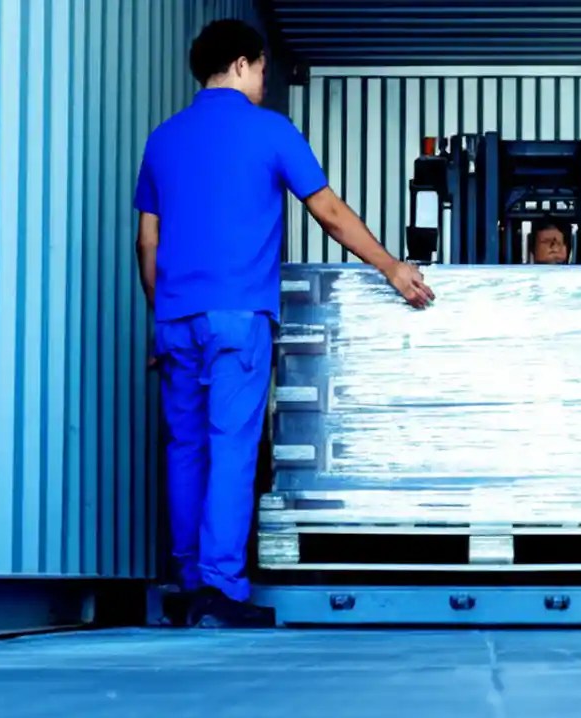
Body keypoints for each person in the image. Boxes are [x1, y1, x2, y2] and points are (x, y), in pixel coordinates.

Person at [133, 19, 434, 628]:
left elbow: (147, 241)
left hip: (176, 319)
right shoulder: (270, 131)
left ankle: (188, 583)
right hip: (238, 317)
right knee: (232, 448)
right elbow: (326, 210)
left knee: (185, 449)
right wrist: (390, 267)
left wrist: (159, 316)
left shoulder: (163, 139)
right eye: (265, 70)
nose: (266, 82)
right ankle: (220, 589)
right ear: (243, 64)